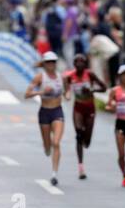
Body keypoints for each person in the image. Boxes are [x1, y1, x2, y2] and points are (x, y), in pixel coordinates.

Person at [24, 51, 66, 186]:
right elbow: (27, 94)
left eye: (53, 62)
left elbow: (68, 89)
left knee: (57, 143)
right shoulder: (39, 77)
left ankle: (54, 173)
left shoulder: (61, 77)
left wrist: (69, 94)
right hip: (44, 112)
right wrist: (42, 92)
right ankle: (47, 148)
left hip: (57, 111)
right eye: (48, 62)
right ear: (44, 64)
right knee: (48, 146)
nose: (51, 65)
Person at [64, 54, 106, 180]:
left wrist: (92, 91)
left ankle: (86, 139)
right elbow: (66, 91)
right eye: (77, 62)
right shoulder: (70, 77)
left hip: (90, 108)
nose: (79, 64)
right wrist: (67, 94)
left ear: (85, 64)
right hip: (78, 108)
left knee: (86, 139)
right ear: (74, 64)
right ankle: (81, 167)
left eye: (82, 62)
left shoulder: (90, 75)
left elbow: (104, 87)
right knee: (78, 135)